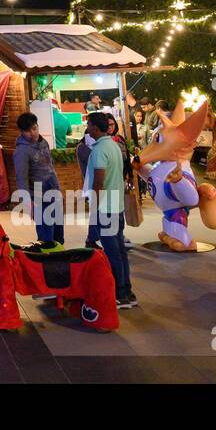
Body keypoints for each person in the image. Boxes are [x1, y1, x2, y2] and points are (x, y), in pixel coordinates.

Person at [83, 112, 134, 308]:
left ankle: (120, 293)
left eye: (89, 126)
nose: (87, 129)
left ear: (95, 128)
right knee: (120, 250)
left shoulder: (98, 150)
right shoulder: (113, 145)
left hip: (106, 208)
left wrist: (94, 205)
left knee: (113, 252)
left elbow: (98, 181)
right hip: (116, 205)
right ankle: (127, 290)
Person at [13, 112, 64, 245]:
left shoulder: (44, 142)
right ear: (22, 132)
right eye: (28, 131)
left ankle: (60, 258)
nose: (33, 133)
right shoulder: (21, 151)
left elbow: (50, 166)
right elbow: (21, 178)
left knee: (58, 231)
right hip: (38, 196)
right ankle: (48, 261)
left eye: (34, 128)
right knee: (46, 235)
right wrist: (27, 201)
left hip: (54, 191)